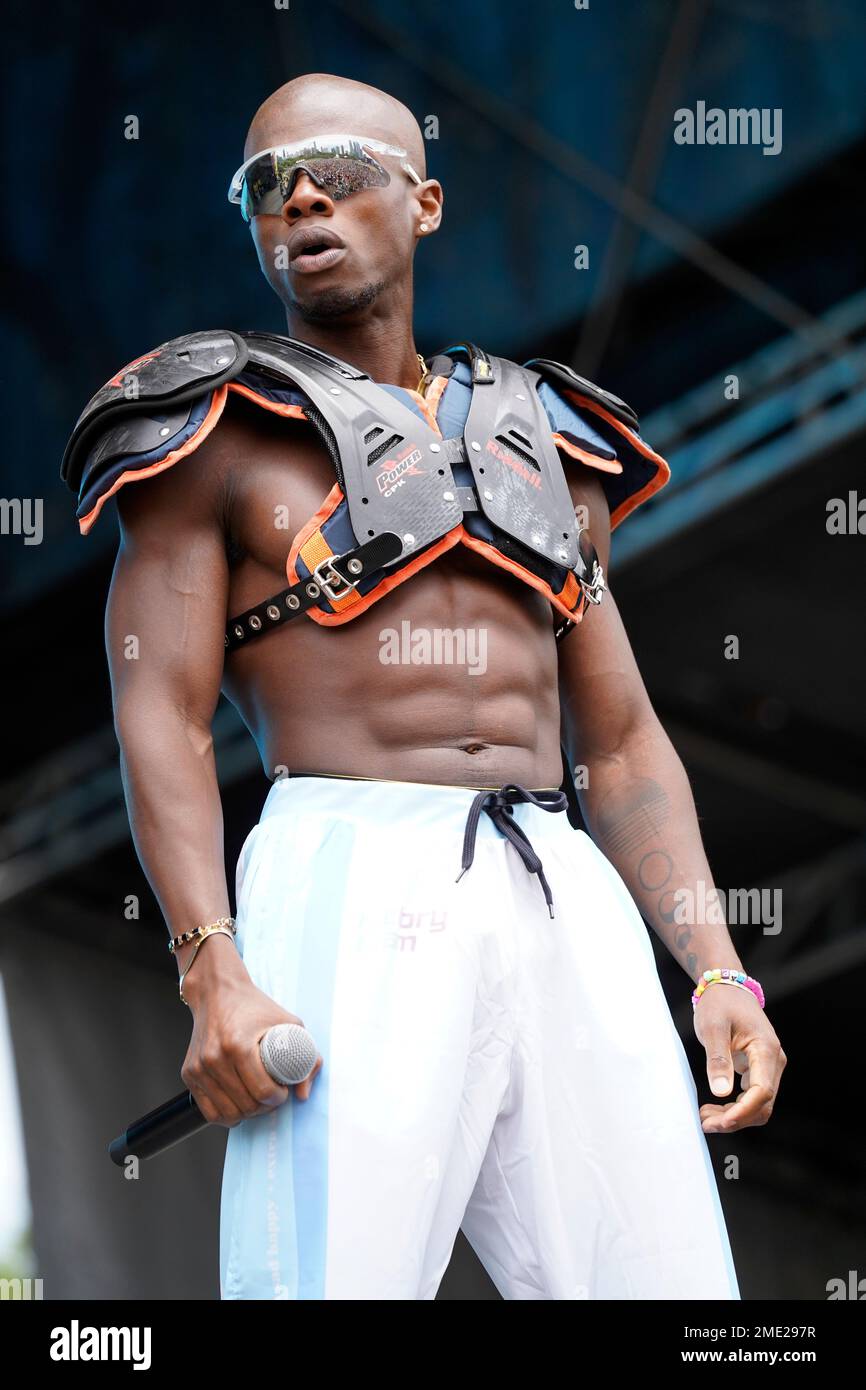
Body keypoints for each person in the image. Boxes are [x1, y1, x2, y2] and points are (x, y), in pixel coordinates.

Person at [62, 73, 785, 1301]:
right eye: (265, 187)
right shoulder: (206, 430)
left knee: (667, 1289)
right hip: (349, 863)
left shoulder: (551, 437)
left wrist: (716, 967)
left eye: (337, 170)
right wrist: (211, 966)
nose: (299, 197)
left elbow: (617, 744)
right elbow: (160, 716)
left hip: (561, 878)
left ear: (425, 202)